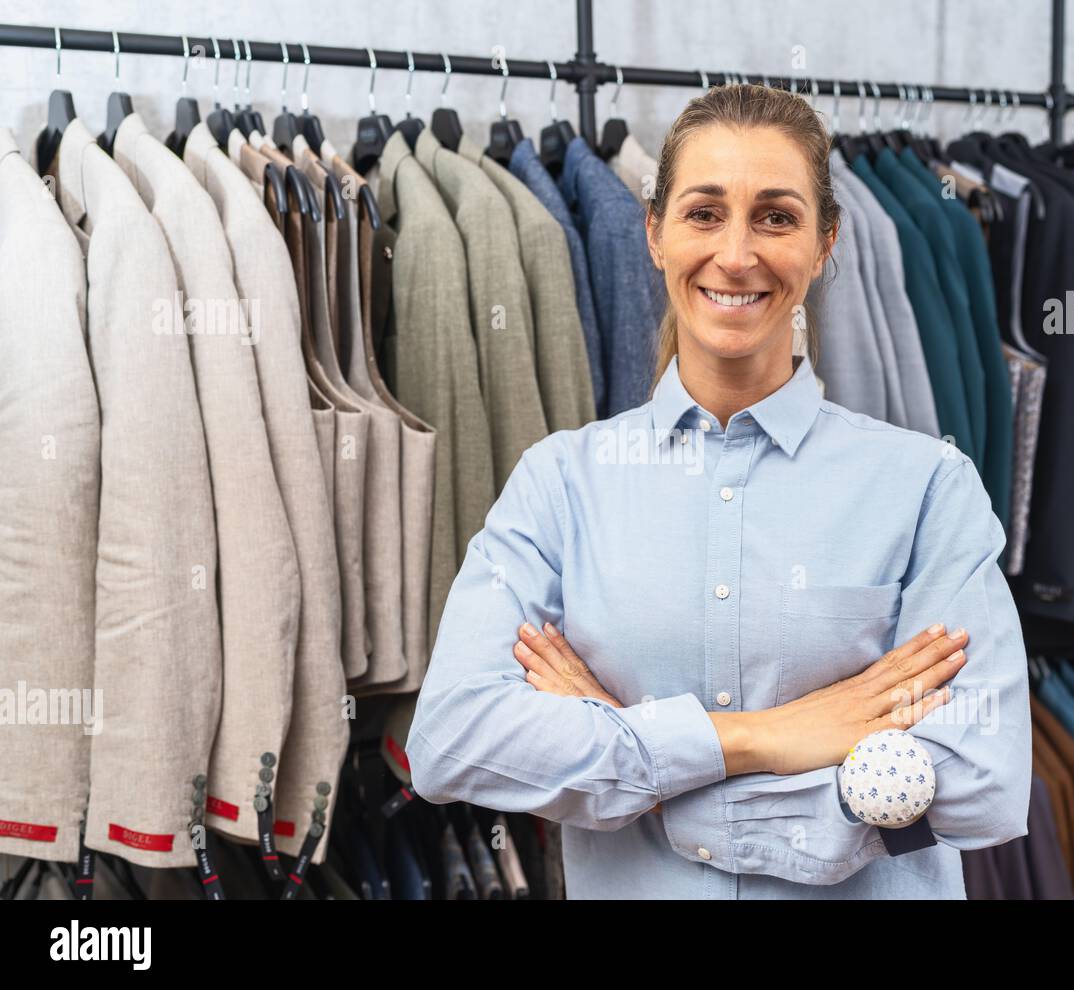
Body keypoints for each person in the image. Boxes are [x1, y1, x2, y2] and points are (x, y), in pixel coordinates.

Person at [407, 83, 1031, 899]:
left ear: (824, 242)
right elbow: (453, 739)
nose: (736, 255)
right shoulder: (558, 485)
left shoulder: (927, 489)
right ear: (656, 234)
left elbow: (981, 779)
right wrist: (770, 738)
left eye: (776, 216)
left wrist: (654, 776)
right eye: (704, 214)